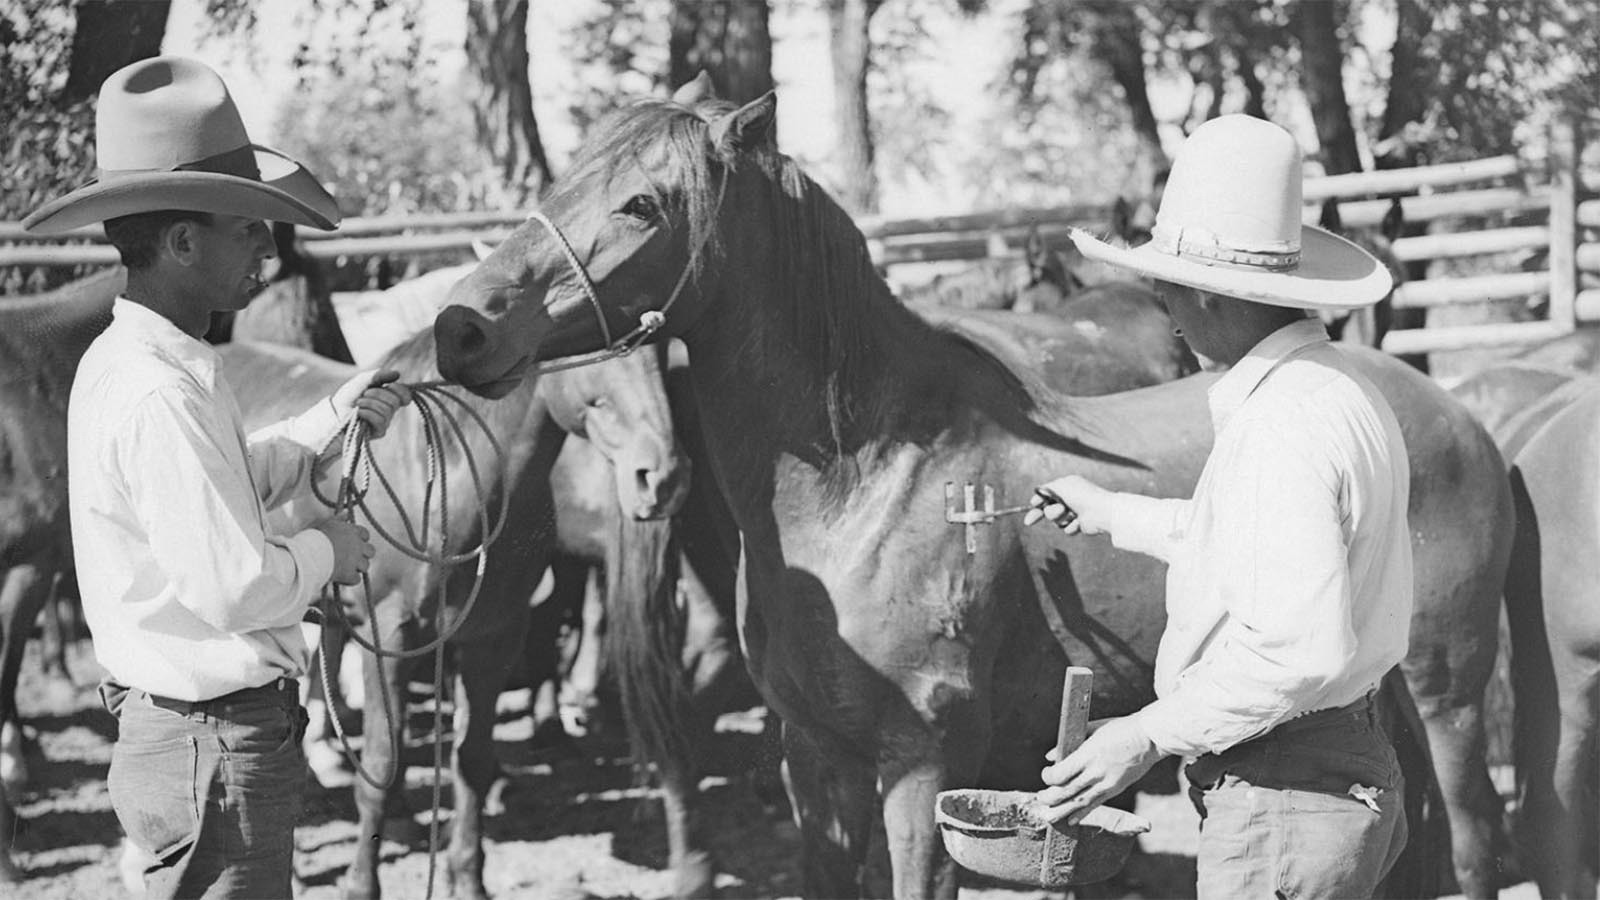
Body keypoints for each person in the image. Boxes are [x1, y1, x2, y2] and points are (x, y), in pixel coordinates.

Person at [24, 56, 413, 899]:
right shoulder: (161, 390)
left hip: (197, 739)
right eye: (246, 228)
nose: (267, 251)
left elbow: (216, 490)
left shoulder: (143, 362)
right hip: (211, 742)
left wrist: (328, 418)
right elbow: (234, 586)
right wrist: (327, 552)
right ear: (182, 242)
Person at [1024, 114, 1412, 899]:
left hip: (1284, 792)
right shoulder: (1337, 389)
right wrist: (1111, 511)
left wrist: (1143, 735)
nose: (1162, 303)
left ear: (1209, 295)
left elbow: (1296, 650)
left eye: (1167, 282)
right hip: (1330, 767)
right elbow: (1261, 552)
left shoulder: (1279, 429)